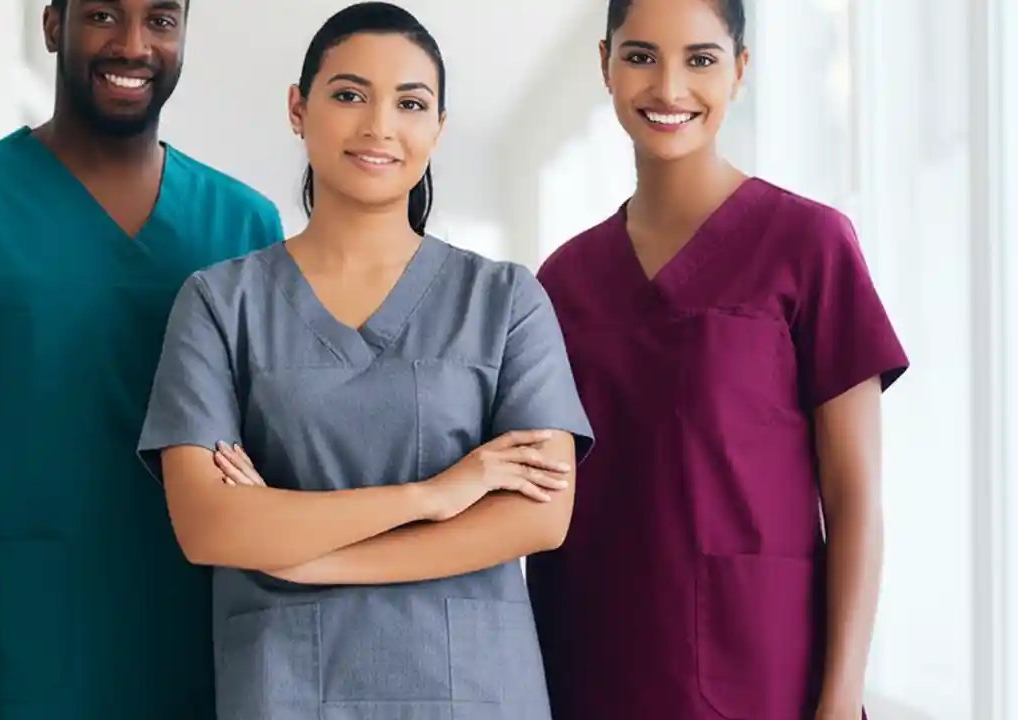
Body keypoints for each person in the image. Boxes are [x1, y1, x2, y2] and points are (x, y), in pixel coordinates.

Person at [135, 3, 594, 718]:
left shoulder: (506, 300)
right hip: (288, 691)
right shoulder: (221, 305)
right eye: (349, 94)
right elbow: (210, 526)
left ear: (437, 128)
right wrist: (436, 496)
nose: (379, 125)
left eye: (410, 103)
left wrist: (309, 557)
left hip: (472, 693)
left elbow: (538, 517)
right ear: (299, 107)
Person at [0, 0, 283, 716]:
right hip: (7, 666)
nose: (133, 44)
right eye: (104, 14)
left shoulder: (244, 223)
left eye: (162, 21)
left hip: (198, 666)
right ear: (54, 25)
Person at [527, 0, 909, 718]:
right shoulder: (563, 280)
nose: (669, 88)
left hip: (763, 669)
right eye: (640, 56)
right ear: (604, 64)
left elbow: (855, 497)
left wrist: (841, 697)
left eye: (700, 59)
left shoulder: (810, 245)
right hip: (592, 665)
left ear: (740, 71)